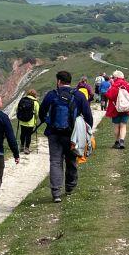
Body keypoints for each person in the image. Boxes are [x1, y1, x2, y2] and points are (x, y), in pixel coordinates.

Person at [39, 71, 93, 203]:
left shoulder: (52, 95)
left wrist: (48, 122)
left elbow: (42, 112)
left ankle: (56, 192)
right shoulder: (79, 95)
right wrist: (85, 132)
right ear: (70, 81)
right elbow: (88, 116)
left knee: (55, 162)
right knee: (71, 160)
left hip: (54, 134)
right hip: (72, 135)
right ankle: (69, 187)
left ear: (58, 81)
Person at [104, 70, 129, 149]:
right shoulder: (127, 84)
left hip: (115, 109)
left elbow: (109, 96)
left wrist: (110, 87)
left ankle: (116, 142)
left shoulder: (114, 85)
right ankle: (122, 141)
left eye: (113, 77)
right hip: (125, 108)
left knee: (116, 126)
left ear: (116, 77)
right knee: (123, 125)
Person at [17, 89, 40, 154]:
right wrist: (36, 119)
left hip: (22, 121)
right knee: (28, 135)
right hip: (30, 122)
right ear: (34, 95)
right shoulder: (35, 102)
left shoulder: (22, 100)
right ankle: (27, 148)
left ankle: (21, 147)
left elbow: (18, 109)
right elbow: (37, 112)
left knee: (23, 134)